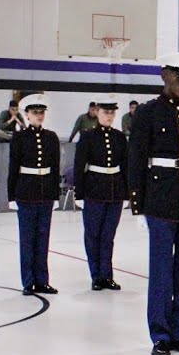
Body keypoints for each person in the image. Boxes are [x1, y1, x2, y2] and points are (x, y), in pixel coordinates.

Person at [128, 53, 179, 355]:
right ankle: (160, 333)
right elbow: (135, 159)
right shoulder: (148, 113)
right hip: (160, 199)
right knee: (161, 271)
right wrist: (137, 205)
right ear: (164, 75)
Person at [8, 94, 60, 296]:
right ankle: (29, 281)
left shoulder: (51, 137)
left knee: (43, 238)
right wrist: (11, 195)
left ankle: (42, 280)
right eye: (35, 112)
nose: (39, 116)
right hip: (26, 192)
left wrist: (55, 195)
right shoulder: (20, 138)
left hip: (45, 191)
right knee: (27, 239)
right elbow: (13, 168)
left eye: (41, 112)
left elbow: (54, 168)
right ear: (27, 115)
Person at [74, 94, 128, 291]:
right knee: (93, 235)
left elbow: (126, 166)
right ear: (97, 113)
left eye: (112, 112)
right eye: (106, 112)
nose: (110, 116)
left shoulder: (120, 137)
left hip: (115, 191)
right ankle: (96, 275)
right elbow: (79, 166)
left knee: (108, 236)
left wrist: (127, 193)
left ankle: (107, 275)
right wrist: (79, 194)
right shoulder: (88, 136)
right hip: (94, 190)